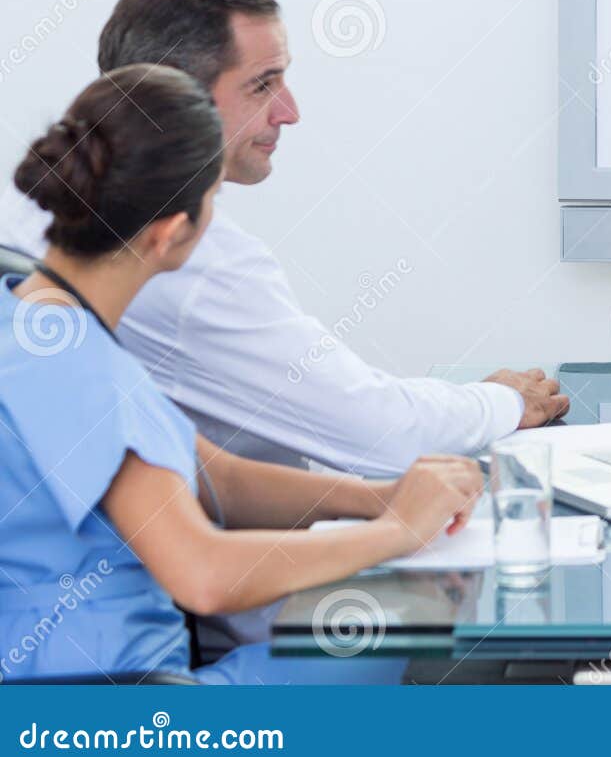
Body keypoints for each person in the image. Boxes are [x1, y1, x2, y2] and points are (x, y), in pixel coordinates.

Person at [0, 66, 482, 683]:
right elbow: (201, 574)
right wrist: (396, 532)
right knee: (411, 631)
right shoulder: (87, 374)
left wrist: (379, 499)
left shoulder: (32, 314)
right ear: (174, 234)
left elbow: (216, 477)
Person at [0, 0, 566, 479]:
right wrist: (504, 401)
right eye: (262, 84)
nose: (289, 112)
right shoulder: (191, 260)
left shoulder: (35, 207)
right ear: (177, 98)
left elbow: (225, 477)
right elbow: (380, 435)